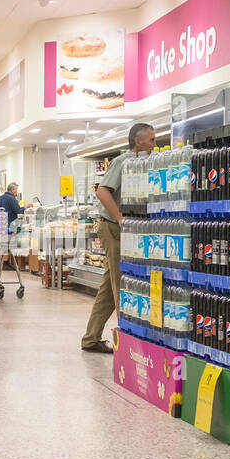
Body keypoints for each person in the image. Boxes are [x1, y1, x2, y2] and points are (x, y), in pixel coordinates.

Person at [81, 122, 155, 354]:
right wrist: (121, 218)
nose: (155, 144)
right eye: (151, 140)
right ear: (138, 142)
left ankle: (91, 339)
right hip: (113, 228)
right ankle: (128, 343)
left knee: (108, 287)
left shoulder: (143, 163)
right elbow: (102, 191)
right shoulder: (122, 162)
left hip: (123, 229)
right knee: (122, 283)